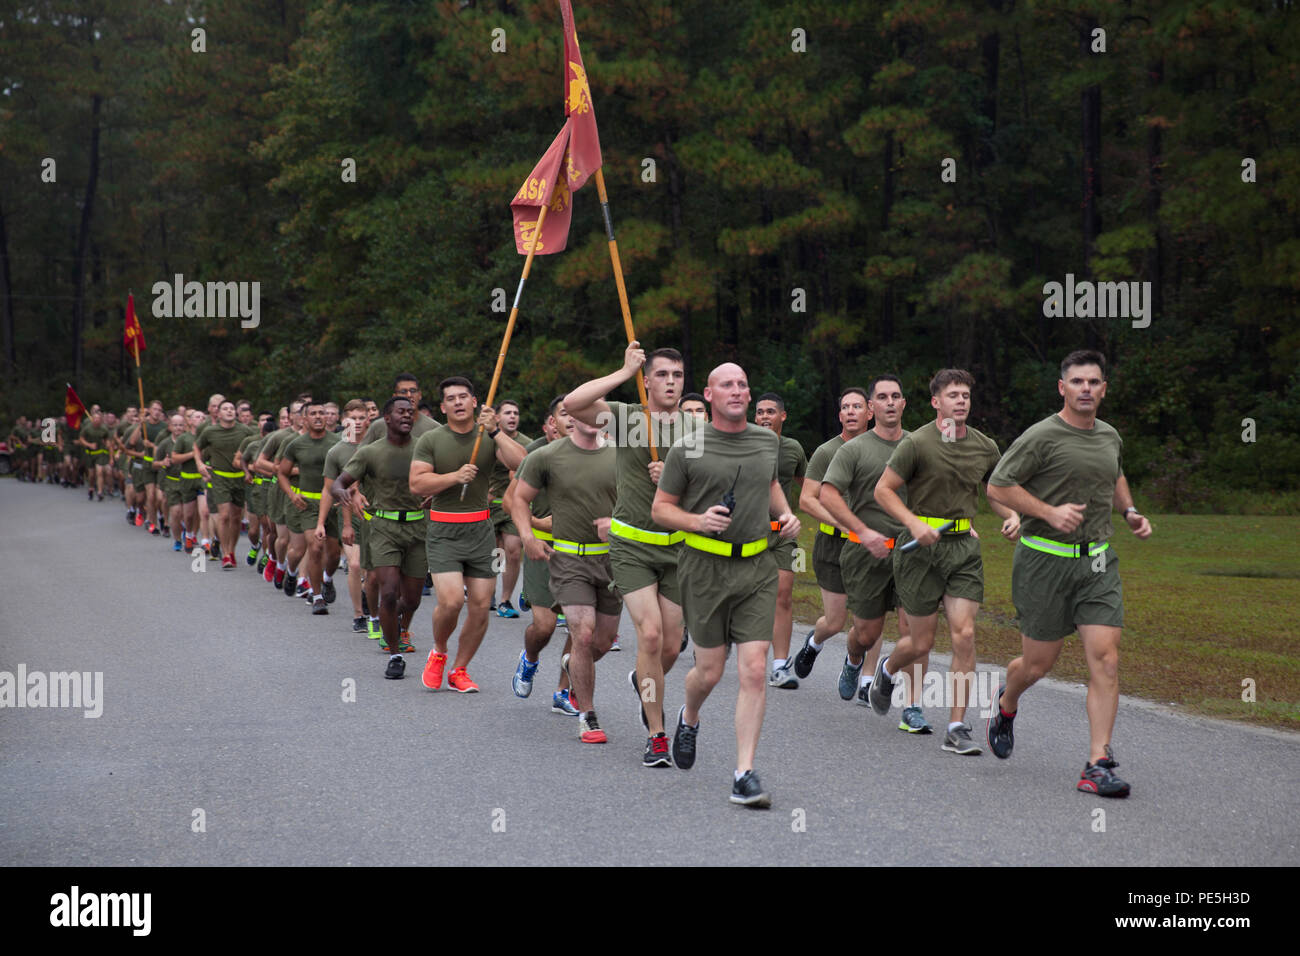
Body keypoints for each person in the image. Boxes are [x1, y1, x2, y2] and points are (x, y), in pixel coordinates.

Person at [985, 350, 1152, 797]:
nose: (1086, 389)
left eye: (1094, 382)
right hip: (1043, 558)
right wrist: (1047, 512)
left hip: (1097, 559)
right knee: (1038, 664)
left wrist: (1130, 510)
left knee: (1107, 658)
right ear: (1062, 387)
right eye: (1077, 382)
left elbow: (1113, 474)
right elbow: (998, 485)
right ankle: (1006, 702)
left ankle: (1097, 762)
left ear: (1103, 388)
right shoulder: (1042, 436)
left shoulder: (1109, 436)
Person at [652, 362, 799, 807]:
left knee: (754, 670)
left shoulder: (765, 441)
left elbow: (770, 482)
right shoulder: (687, 448)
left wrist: (786, 514)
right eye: (727, 385)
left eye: (742, 384)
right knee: (709, 672)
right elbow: (661, 509)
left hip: (757, 566)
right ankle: (690, 715)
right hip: (704, 569)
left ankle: (744, 773)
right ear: (709, 395)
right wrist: (696, 521)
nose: (736, 391)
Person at [869, 369, 1020, 755]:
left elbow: (996, 490)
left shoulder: (985, 446)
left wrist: (1010, 514)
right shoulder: (917, 443)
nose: (961, 401)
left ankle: (956, 726)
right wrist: (913, 523)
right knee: (919, 643)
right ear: (936, 402)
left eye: (966, 395)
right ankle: (887, 671)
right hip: (919, 551)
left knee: (964, 634)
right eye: (953, 395)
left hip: (962, 549)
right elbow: (883, 491)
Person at [565, 341, 698, 767]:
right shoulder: (627, 418)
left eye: (677, 375)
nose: (671, 382)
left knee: (672, 647)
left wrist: (675, 478)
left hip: (678, 548)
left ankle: (643, 678)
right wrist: (623, 371)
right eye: (662, 374)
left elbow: (713, 488)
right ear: (647, 380)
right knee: (651, 635)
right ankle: (656, 735)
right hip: (633, 544)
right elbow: (573, 403)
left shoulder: (697, 430)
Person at [511, 403, 621, 743]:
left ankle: (573, 664)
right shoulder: (547, 456)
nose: (588, 417)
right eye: (579, 411)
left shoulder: (621, 456)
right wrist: (528, 536)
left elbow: (642, 503)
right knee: (582, 633)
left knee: (600, 642)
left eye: (597, 412)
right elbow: (517, 500)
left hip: (612, 561)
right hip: (567, 558)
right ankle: (588, 716)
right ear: (570, 418)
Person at [409, 377, 525, 693]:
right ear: (443, 406)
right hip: (444, 530)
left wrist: (496, 431)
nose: (458, 402)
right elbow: (417, 484)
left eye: (464, 397)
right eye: (451, 398)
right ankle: (439, 650)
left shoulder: (488, 435)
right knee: (450, 602)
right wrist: (453, 477)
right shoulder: (431, 439)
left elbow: (524, 464)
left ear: (475, 402)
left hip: (481, 531)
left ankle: (459, 669)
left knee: (480, 605)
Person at [814, 375, 917, 717]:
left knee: (913, 630)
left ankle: (911, 704)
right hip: (864, 551)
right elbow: (826, 494)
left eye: (896, 396)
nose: (890, 402)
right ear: (873, 407)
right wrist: (860, 530)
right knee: (866, 634)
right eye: (882, 397)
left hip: (910, 551)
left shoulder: (918, 447)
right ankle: (854, 659)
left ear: (904, 403)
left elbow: (939, 493)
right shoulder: (853, 449)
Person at [333, 396, 428, 677]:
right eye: (401, 412)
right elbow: (342, 482)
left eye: (411, 412)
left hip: (418, 528)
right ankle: (395, 653)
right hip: (384, 527)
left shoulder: (424, 450)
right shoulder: (370, 452)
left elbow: (439, 478)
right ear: (386, 418)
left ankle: (392, 620)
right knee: (388, 592)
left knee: (411, 600)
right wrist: (341, 493)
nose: (407, 416)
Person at [504, 396, 578, 712]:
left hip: (586, 552)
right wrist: (532, 528)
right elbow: (511, 500)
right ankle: (530, 658)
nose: (573, 419)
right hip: (544, 549)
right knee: (544, 627)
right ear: (552, 422)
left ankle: (564, 691)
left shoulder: (601, 452)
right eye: (565, 414)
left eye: (580, 413)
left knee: (581, 629)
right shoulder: (538, 455)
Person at [792, 389, 871, 681]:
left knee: (869, 620)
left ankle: (862, 676)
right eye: (846, 407)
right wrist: (841, 523)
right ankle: (814, 642)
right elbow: (806, 500)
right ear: (840, 415)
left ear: (870, 413)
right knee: (835, 621)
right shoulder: (827, 452)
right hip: (833, 545)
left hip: (871, 543)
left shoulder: (887, 449)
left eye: (857, 406)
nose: (851, 411)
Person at [753, 393, 807, 688]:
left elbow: (807, 487)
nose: (764, 417)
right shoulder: (744, 444)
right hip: (748, 532)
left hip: (783, 533)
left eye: (770, 412)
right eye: (759, 412)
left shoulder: (792, 449)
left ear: (782, 416)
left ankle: (779, 666)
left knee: (783, 594)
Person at [278, 400, 341, 613]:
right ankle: (317, 596)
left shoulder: (338, 441)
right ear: (304, 419)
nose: (318, 416)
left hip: (334, 502)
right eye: (313, 413)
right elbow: (282, 473)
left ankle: (328, 578)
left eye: (321, 413)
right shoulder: (296, 444)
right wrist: (291, 494)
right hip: (308, 504)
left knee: (333, 555)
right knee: (314, 548)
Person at [321, 400, 370, 632]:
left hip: (377, 513)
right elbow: (329, 489)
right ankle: (359, 614)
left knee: (373, 570)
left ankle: (369, 597)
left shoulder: (377, 444)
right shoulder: (336, 452)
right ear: (344, 421)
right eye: (353, 418)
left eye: (362, 418)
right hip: (348, 514)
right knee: (355, 564)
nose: (358, 423)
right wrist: (321, 522)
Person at [195, 400, 255, 569]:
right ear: (218, 414)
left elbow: (254, 446)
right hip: (219, 477)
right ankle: (226, 553)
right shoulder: (210, 431)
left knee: (236, 517)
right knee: (224, 515)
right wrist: (200, 464)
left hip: (240, 477)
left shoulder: (245, 430)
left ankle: (232, 550)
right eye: (225, 409)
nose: (229, 411)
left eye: (231, 408)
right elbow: (197, 446)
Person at [488, 398, 531, 617]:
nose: (512, 416)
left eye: (515, 413)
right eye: (507, 413)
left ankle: (505, 599)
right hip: (489, 506)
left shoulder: (526, 443)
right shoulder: (485, 440)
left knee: (513, 551)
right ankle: (491, 593)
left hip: (514, 505)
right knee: (496, 552)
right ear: (496, 417)